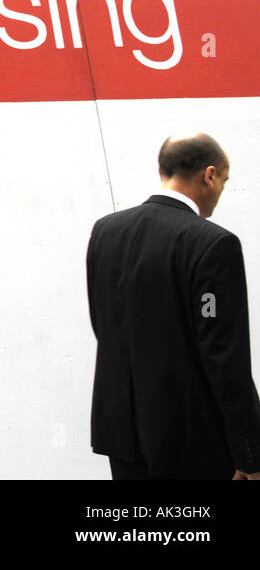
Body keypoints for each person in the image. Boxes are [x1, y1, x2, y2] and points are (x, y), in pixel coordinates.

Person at [86, 132, 260, 479]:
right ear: (209, 175)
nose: (219, 194)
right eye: (223, 181)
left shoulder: (105, 232)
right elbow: (225, 358)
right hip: (192, 440)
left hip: (122, 432)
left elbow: (102, 324)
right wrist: (250, 453)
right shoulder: (213, 244)